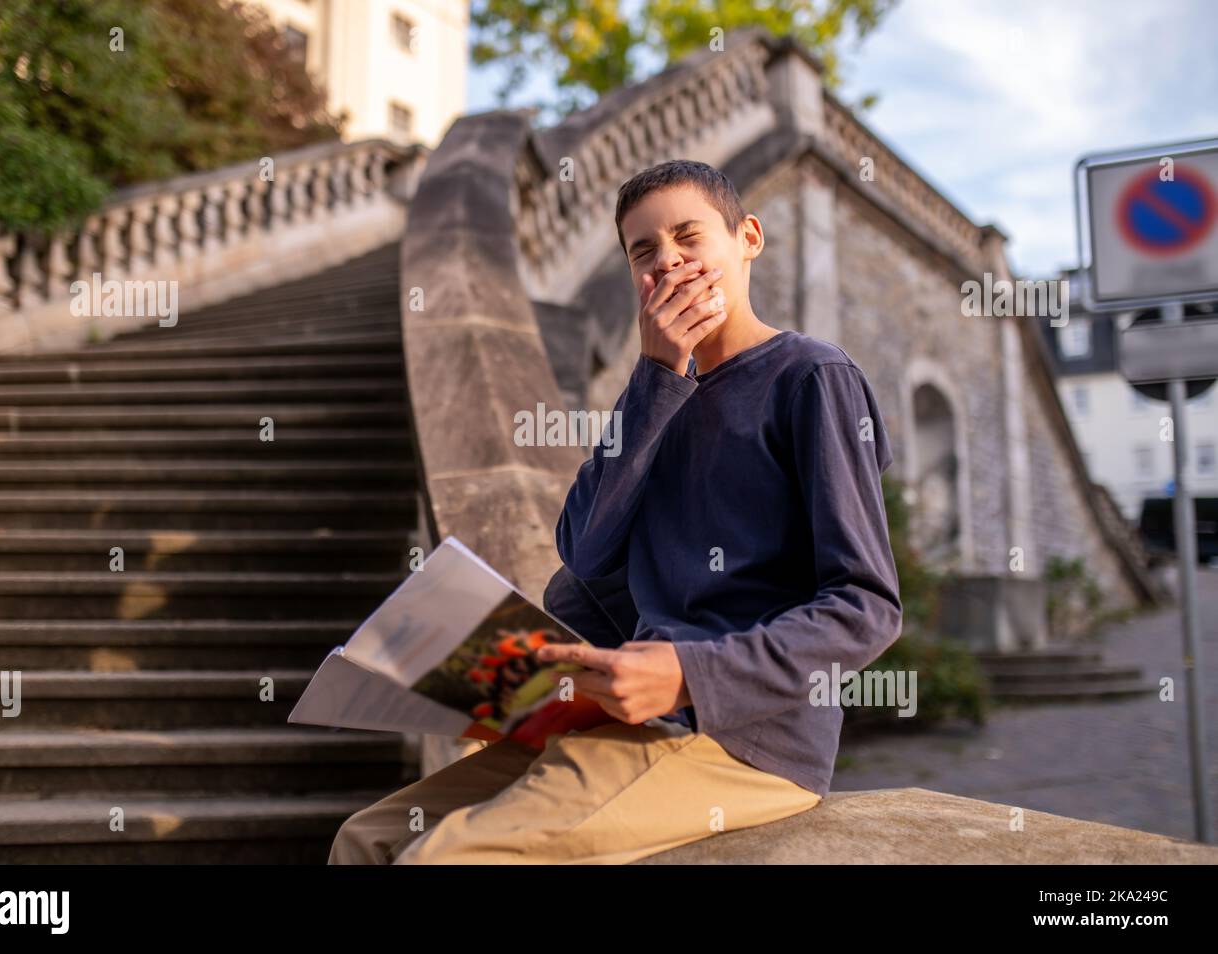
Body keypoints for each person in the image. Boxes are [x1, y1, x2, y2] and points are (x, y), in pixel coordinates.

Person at [328, 158, 902, 865]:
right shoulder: (656, 393)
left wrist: (692, 674)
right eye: (644, 252)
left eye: (689, 238)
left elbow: (866, 607)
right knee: (367, 840)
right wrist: (658, 377)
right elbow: (585, 554)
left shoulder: (813, 378)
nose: (670, 263)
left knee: (444, 858)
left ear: (747, 238)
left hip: (746, 741)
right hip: (628, 716)